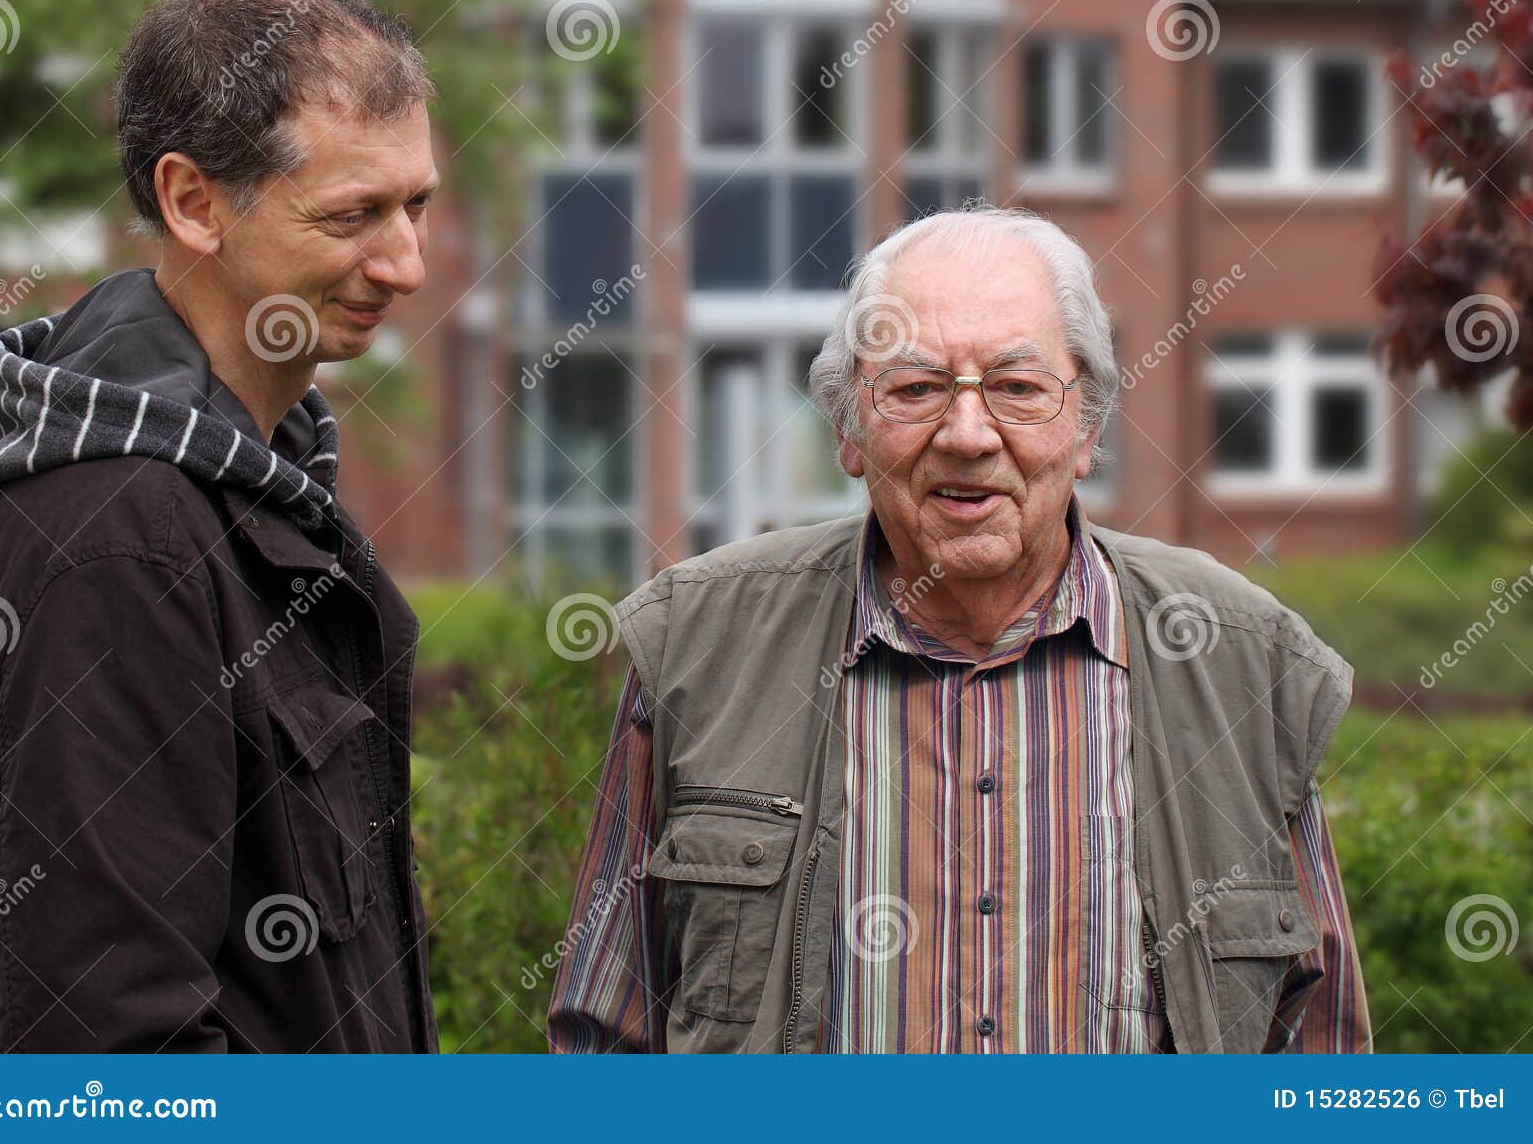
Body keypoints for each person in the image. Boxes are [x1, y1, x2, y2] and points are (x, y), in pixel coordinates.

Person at [548, 205, 1371, 1054]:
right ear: (848, 430)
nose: (969, 435)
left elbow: (1319, 1047)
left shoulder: (1241, 660)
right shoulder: (701, 644)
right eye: (915, 389)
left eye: (1017, 387)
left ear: (1086, 426)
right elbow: (606, 1037)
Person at [0, 0, 441, 1052]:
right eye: (353, 214)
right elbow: (106, 1055)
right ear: (193, 203)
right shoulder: (120, 542)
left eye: (417, 204)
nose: (406, 263)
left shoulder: (260, 477)